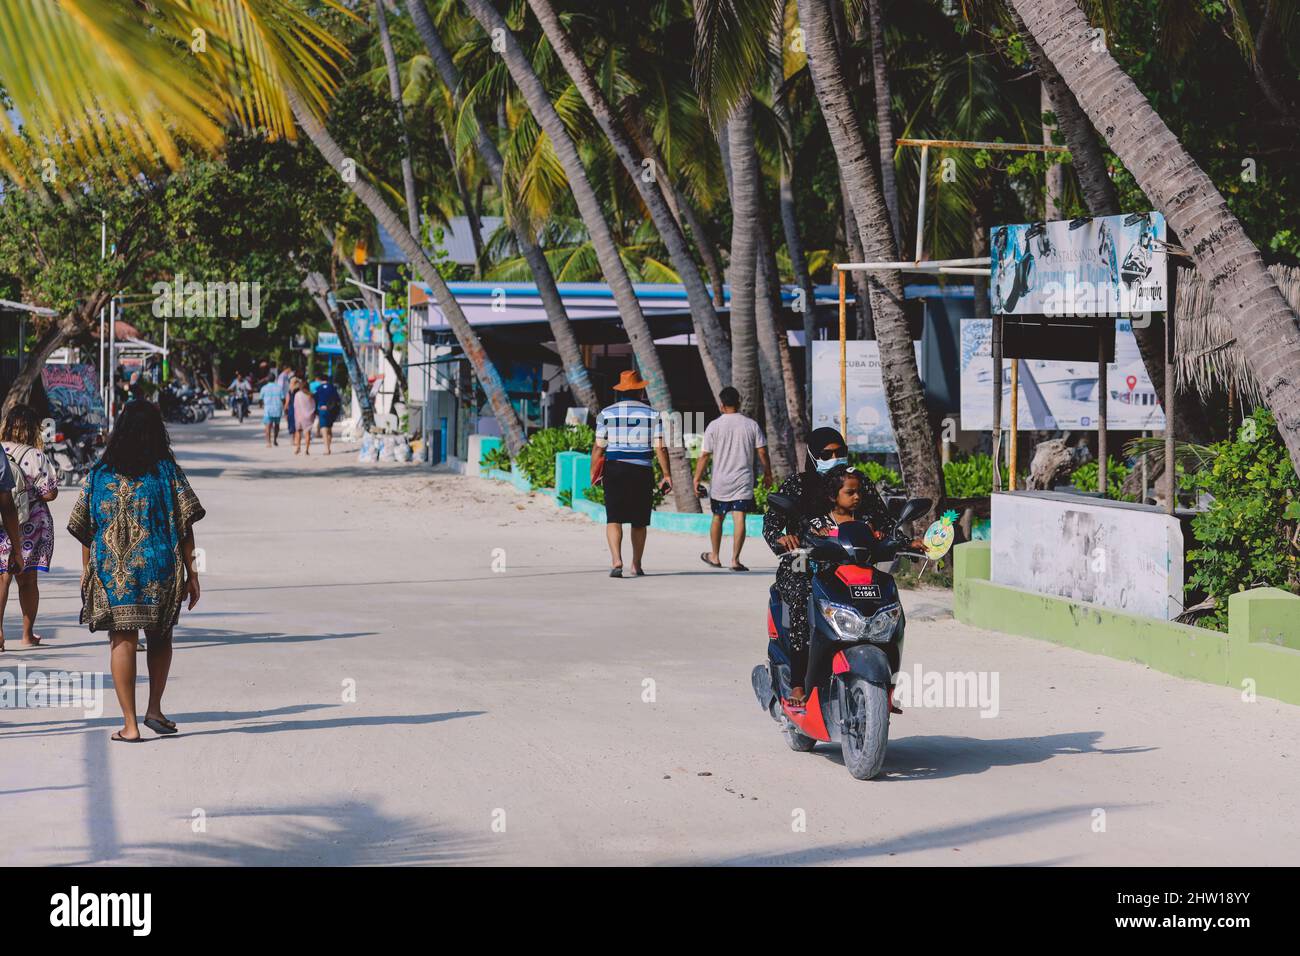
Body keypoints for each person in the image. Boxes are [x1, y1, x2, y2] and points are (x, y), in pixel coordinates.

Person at [66, 401, 205, 741]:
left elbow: (85, 528)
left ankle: (129, 725)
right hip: (160, 567)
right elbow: (186, 527)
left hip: (114, 570)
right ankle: (154, 708)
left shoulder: (99, 473)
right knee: (161, 637)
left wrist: (87, 571)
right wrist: (194, 573)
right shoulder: (167, 471)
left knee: (122, 639)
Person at [762, 428, 891, 708]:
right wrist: (782, 538)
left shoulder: (858, 483)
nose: (835, 458)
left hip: (850, 561)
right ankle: (798, 682)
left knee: (883, 596)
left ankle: (884, 683)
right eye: (826, 454)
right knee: (800, 597)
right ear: (812, 455)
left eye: (840, 452)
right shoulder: (798, 485)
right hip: (803, 563)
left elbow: (884, 521)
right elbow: (771, 524)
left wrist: (903, 541)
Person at [590, 369, 671, 578]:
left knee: (614, 518)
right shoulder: (653, 414)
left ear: (620, 391)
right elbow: (660, 447)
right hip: (641, 470)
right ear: (640, 391)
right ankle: (636, 564)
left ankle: (617, 560)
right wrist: (667, 475)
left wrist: (593, 472)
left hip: (614, 468)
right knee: (639, 520)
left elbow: (599, 447)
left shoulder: (606, 413)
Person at [692, 386, 771, 572]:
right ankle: (735, 560)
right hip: (742, 480)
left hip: (720, 481)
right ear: (739, 403)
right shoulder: (751, 425)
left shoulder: (714, 425)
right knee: (739, 518)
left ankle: (715, 556)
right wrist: (768, 473)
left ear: (722, 405)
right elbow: (762, 451)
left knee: (717, 517)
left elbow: (704, 455)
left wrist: (697, 478)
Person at [0, 406, 59, 650]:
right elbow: (50, 493)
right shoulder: (35, 456)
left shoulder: (0, 449)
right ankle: (27, 634)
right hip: (30, 526)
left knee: (2, 577)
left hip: (1, 523)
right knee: (28, 580)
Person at [313, 372, 342, 455]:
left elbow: (315, 400)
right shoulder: (333, 388)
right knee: (329, 429)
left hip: (322, 410)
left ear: (320, 380)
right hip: (331, 410)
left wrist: (315, 411)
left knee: (324, 429)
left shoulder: (318, 388)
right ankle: (328, 447)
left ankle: (326, 448)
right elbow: (337, 399)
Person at [291, 376, 316, 455]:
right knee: (307, 433)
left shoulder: (297, 394)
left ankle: (298, 447)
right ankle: (306, 450)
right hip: (308, 417)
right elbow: (313, 406)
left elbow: (295, 405)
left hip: (299, 416)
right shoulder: (310, 395)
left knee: (298, 432)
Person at [260, 373, 285, 446]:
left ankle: (268, 442)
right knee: (277, 425)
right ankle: (275, 440)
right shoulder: (279, 388)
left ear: (267, 379)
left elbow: (260, 399)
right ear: (275, 379)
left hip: (268, 410)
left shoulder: (264, 388)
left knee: (268, 426)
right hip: (277, 409)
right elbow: (283, 398)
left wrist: (261, 405)